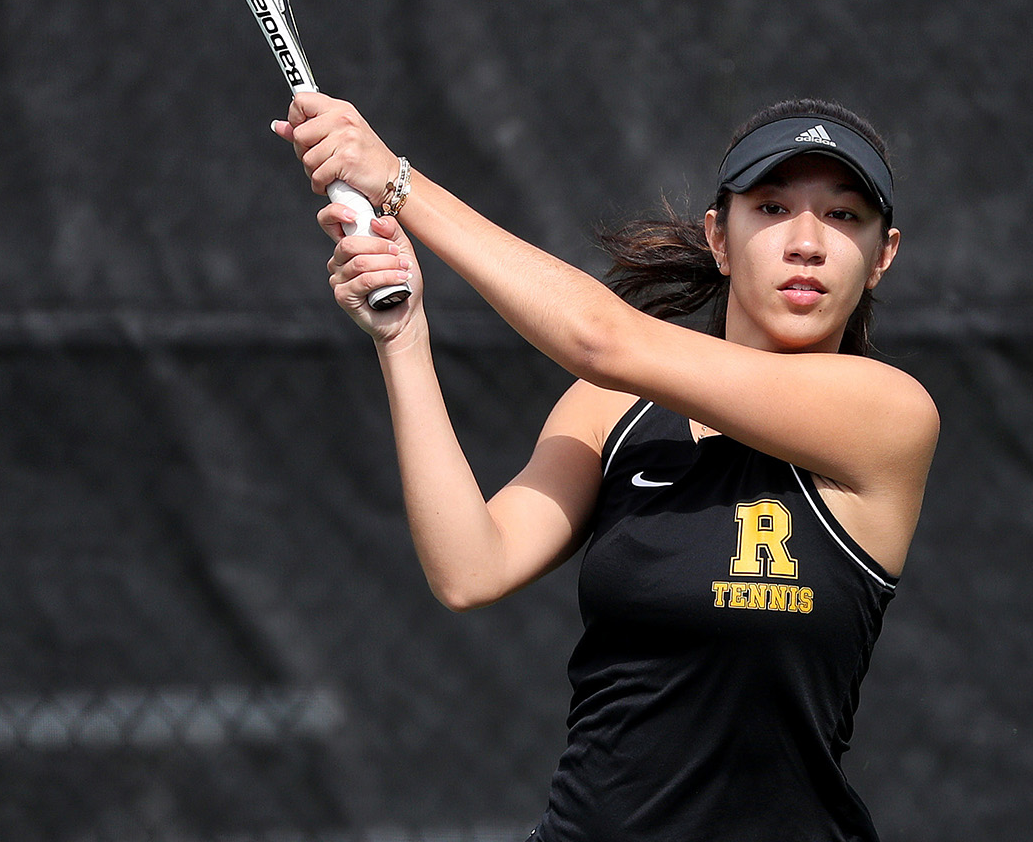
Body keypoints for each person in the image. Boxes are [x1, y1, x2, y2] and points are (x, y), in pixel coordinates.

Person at [273, 93, 939, 842]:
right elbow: (470, 567)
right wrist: (401, 338)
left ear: (883, 255)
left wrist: (393, 180)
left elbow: (602, 338)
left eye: (844, 216)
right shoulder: (608, 409)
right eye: (773, 207)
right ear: (720, 239)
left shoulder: (890, 416)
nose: (808, 241)